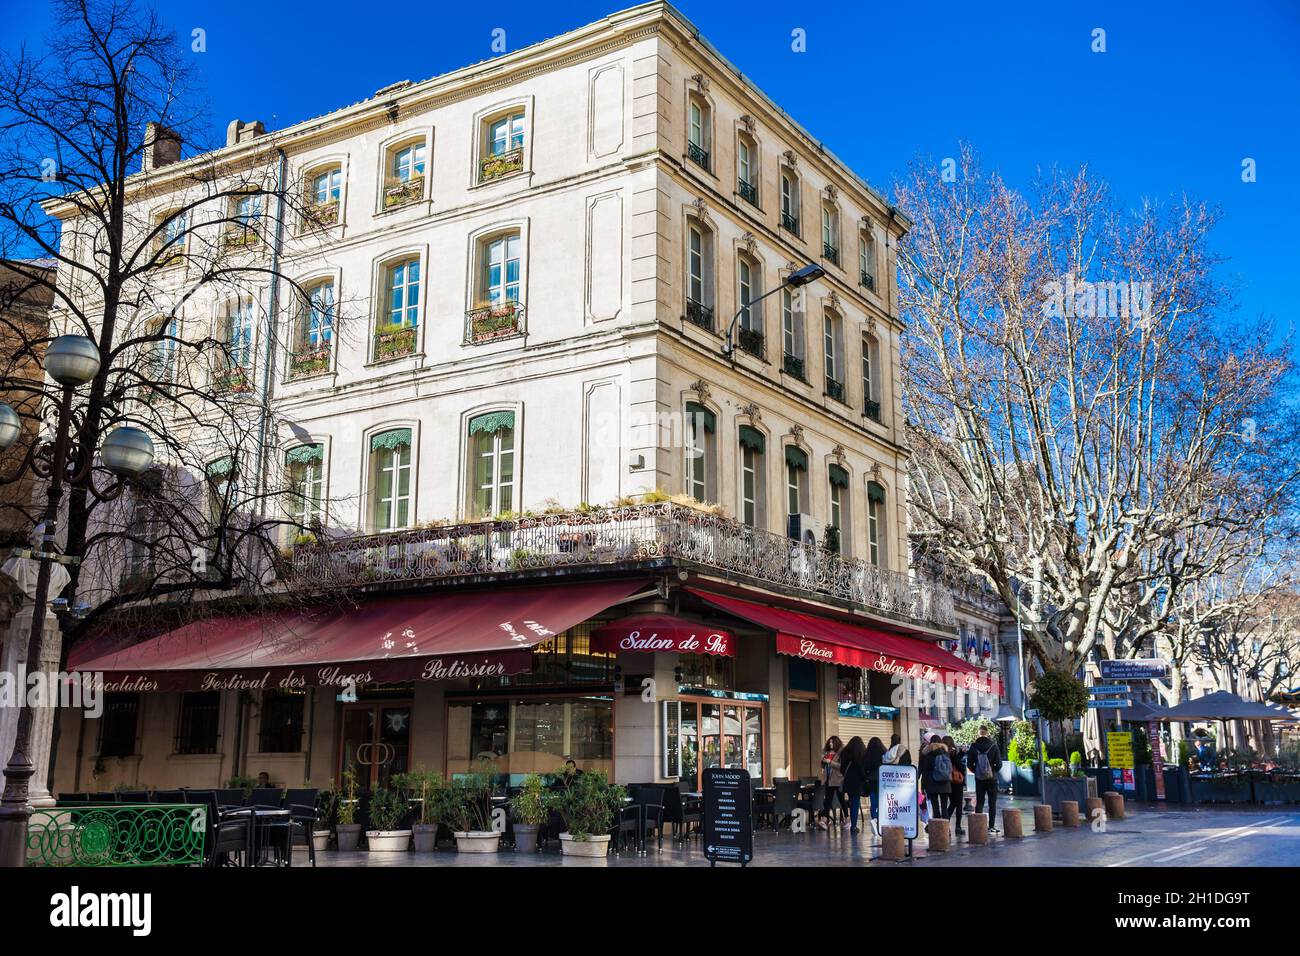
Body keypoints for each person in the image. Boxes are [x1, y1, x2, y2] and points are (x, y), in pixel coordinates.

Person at [968, 724, 1003, 833]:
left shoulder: (973, 747)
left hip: (979, 780)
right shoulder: (993, 746)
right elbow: (999, 764)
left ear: (978, 733)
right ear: (987, 733)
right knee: (992, 803)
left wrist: (977, 771)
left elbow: (969, 764)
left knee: (980, 802)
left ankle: (979, 826)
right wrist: (993, 771)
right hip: (992, 779)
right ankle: (991, 826)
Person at [838, 736, 870, 834]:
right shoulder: (860, 754)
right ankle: (854, 826)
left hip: (848, 782)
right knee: (855, 804)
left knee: (852, 803)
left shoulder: (845, 754)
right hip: (857, 783)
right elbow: (862, 770)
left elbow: (842, 769)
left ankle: (853, 824)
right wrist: (865, 778)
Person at [919, 734, 952, 820]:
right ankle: (946, 831)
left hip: (932, 784)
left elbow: (925, 772)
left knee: (935, 808)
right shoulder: (946, 753)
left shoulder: (928, 755)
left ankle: (938, 830)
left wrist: (923, 787)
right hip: (945, 783)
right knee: (944, 808)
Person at [819, 736, 846, 830]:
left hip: (838, 780)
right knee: (827, 800)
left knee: (841, 800)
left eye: (832, 742)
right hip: (828, 780)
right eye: (829, 742)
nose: (830, 744)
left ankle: (847, 819)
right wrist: (822, 760)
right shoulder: (827, 753)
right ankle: (824, 820)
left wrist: (830, 762)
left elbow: (841, 766)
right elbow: (823, 765)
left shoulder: (841, 752)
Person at [942, 735, 965, 835]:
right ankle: (958, 827)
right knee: (958, 804)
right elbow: (959, 765)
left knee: (952, 803)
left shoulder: (942, 753)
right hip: (956, 782)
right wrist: (959, 756)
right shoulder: (952, 752)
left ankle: (946, 824)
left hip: (946, 781)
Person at [864, 736, 886, 836]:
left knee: (873, 802)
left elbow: (865, 768)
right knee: (881, 801)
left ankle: (874, 819)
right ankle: (881, 820)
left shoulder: (867, 754)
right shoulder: (884, 753)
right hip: (882, 781)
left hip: (872, 781)